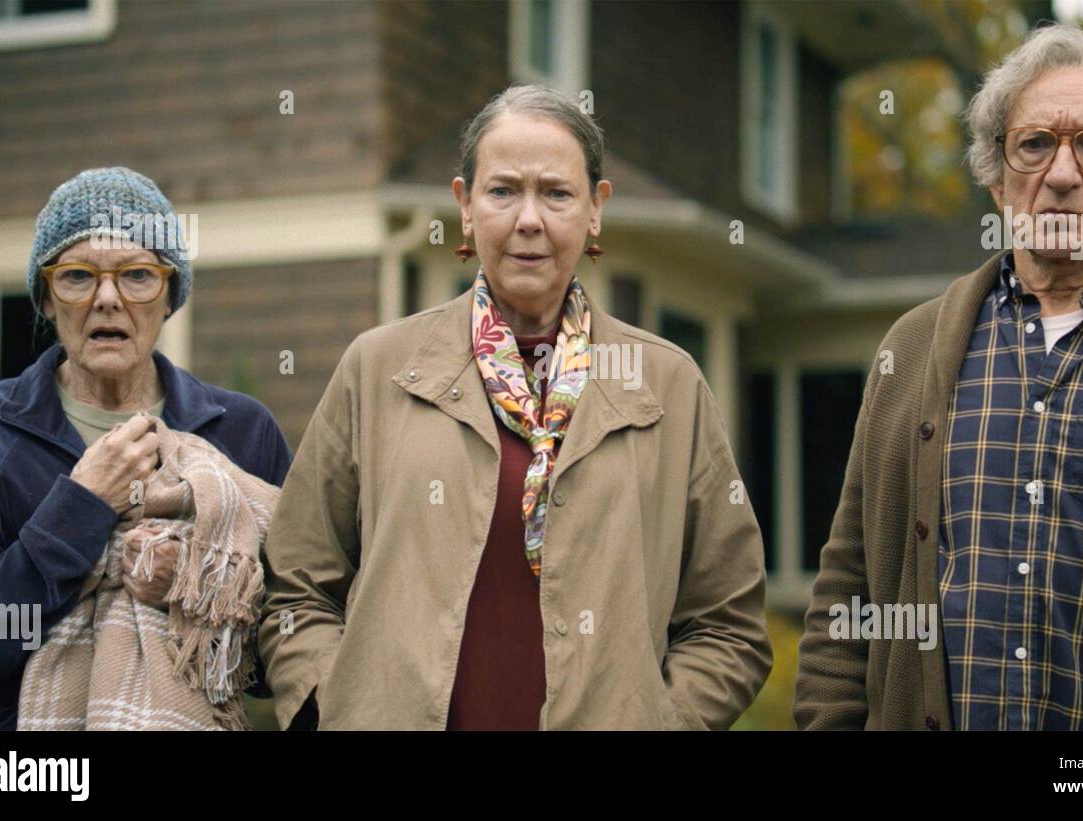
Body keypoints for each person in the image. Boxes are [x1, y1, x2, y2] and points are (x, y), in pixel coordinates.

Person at [259, 84, 772, 730]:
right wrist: (330, 704)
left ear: (595, 211)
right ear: (465, 207)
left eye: (556, 193)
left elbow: (730, 621)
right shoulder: (378, 369)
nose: (529, 218)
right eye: (503, 191)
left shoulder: (665, 384)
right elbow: (295, 584)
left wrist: (662, 720)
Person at [794, 24, 1083, 731]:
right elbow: (849, 585)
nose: (1062, 174)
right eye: (1034, 144)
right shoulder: (908, 353)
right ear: (997, 177)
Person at [0, 167, 292, 730]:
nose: (107, 299)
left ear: (170, 295)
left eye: (137, 276)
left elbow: (290, 649)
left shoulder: (241, 431)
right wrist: (79, 506)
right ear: (46, 300)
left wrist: (188, 587)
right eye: (77, 276)